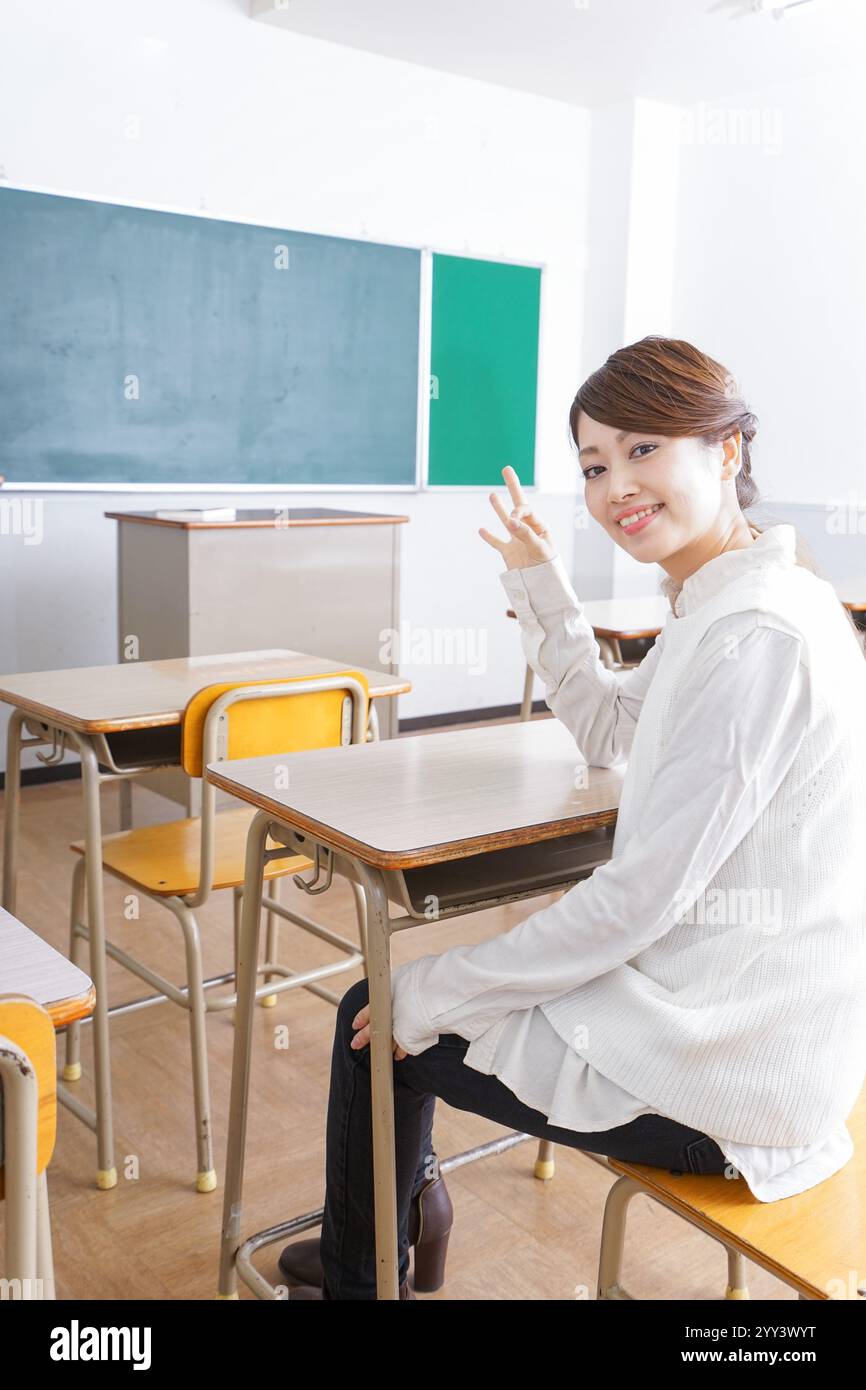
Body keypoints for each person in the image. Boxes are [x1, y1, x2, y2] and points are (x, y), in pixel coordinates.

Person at [281, 335, 866, 1300]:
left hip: (734, 1070)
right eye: (595, 465)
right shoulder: (732, 601)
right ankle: (397, 1220)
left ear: (726, 452)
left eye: (644, 449)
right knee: (411, 1004)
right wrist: (540, 584)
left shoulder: (756, 633)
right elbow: (607, 732)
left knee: (376, 1008)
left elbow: (637, 904)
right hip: (743, 1017)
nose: (614, 487)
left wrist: (432, 995)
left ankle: (363, 1271)